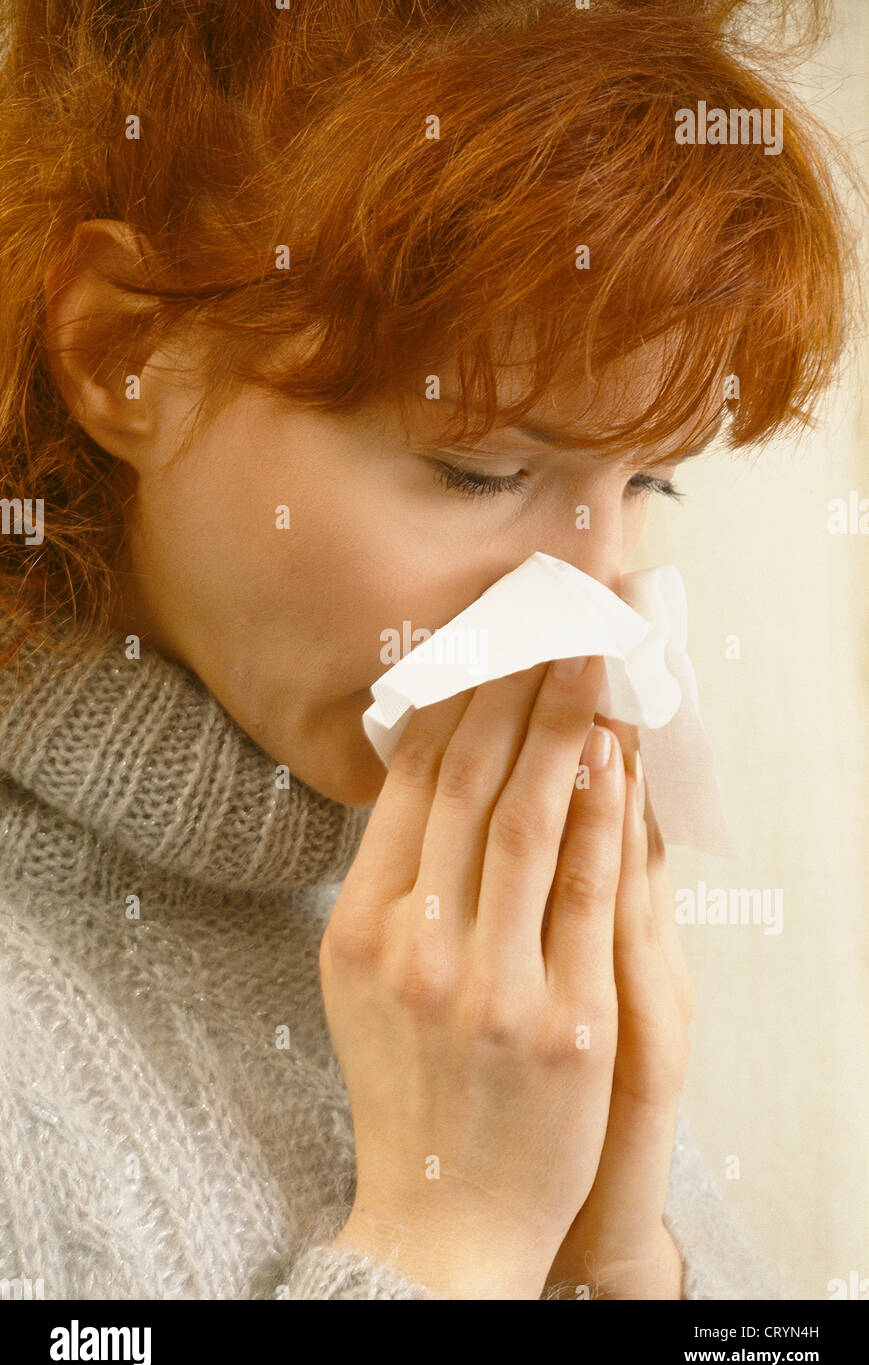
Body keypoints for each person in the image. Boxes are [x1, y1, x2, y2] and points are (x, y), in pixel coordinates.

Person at [0, 0, 847, 1298]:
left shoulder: (480, 971)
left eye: (646, 487)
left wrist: (616, 1261)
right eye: (482, 469)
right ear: (127, 349)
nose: (596, 596)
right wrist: (451, 1246)